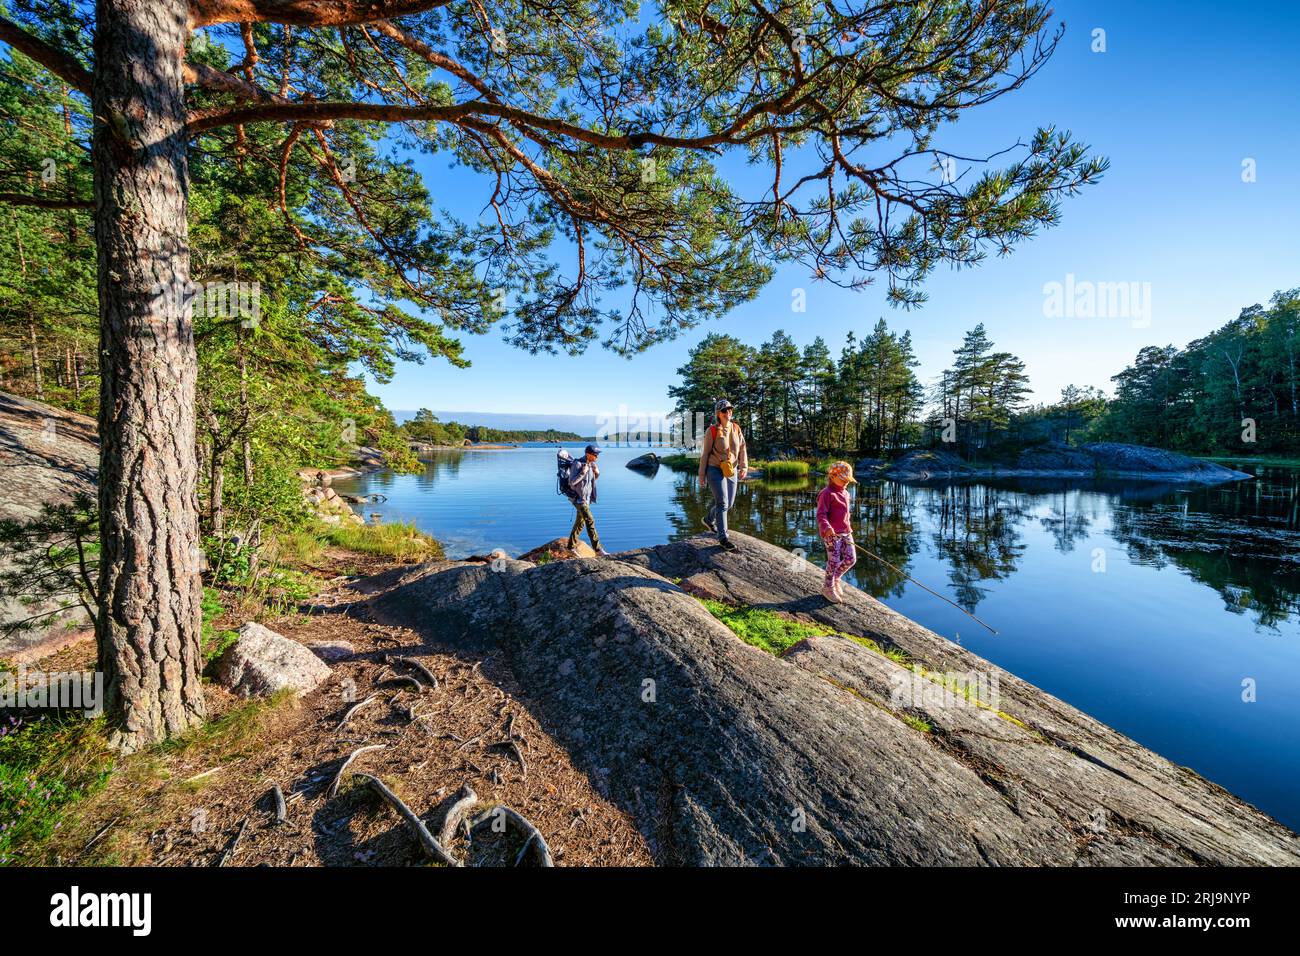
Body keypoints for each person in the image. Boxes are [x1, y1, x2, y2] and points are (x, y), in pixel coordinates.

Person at [697, 399, 748, 552]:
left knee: (729, 504)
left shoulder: (736, 428)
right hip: (714, 468)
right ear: (718, 414)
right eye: (725, 411)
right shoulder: (712, 431)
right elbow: (705, 454)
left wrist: (743, 466)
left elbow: (743, 447)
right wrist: (701, 475)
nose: (728, 413)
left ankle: (708, 519)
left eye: (730, 410)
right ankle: (723, 538)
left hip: (731, 470)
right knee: (723, 502)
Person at [816, 461, 858, 603]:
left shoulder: (846, 493)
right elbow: (821, 514)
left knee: (851, 559)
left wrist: (847, 527)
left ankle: (836, 578)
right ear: (832, 476)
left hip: (846, 532)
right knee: (833, 561)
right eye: (843, 479)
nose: (846, 482)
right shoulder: (826, 493)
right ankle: (827, 587)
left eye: (848, 479)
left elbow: (845, 514)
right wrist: (826, 527)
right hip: (831, 534)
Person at [566, 444, 608, 555]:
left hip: (587, 499)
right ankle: (598, 549)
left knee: (580, 523)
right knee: (590, 520)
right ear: (588, 454)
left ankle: (570, 547)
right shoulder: (577, 464)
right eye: (595, 455)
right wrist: (582, 473)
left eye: (597, 455)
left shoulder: (591, 464)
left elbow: (590, 481)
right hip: (578, 499)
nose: (597, 457)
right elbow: (572, 483)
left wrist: (597, 473)